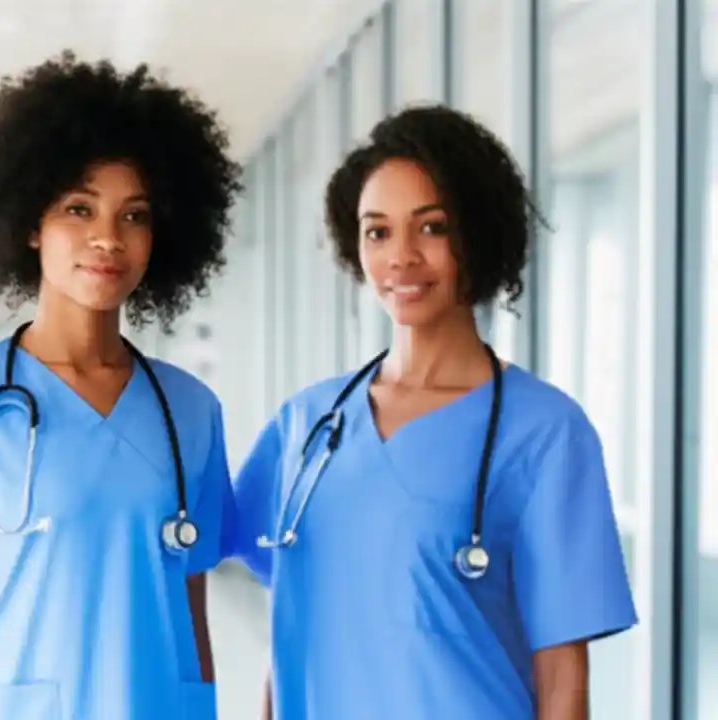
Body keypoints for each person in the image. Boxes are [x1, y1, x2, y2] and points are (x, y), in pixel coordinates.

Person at [0, 52, 243, 720]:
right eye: (79, 208)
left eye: (134, 215)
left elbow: (191, 624)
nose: (107, 238)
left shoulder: (189, 411)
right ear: (30, 224)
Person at [229, 105, 638, 719]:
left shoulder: (545, 433)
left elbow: (562, 679)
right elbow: (292, 629)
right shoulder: (306, 423)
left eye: (432, 227)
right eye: (377, 231)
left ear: (477, 233)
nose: (401, 257)